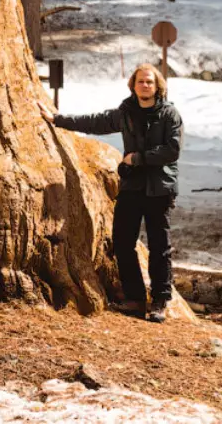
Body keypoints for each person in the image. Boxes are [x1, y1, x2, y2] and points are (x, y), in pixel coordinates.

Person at [38, 64, 183, 323]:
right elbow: (96, 121)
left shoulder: (170, 114)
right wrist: (58, 120)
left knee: (160, 247)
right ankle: (136, 298)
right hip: (131, 188)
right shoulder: (126, 112)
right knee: (122, 243)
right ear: (133, 84)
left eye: (149, 82)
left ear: (157, 85)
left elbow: (171, 150)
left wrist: (137, 158)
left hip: (159, 189)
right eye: (141, 81)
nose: (145, 85)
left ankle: (160, 301)